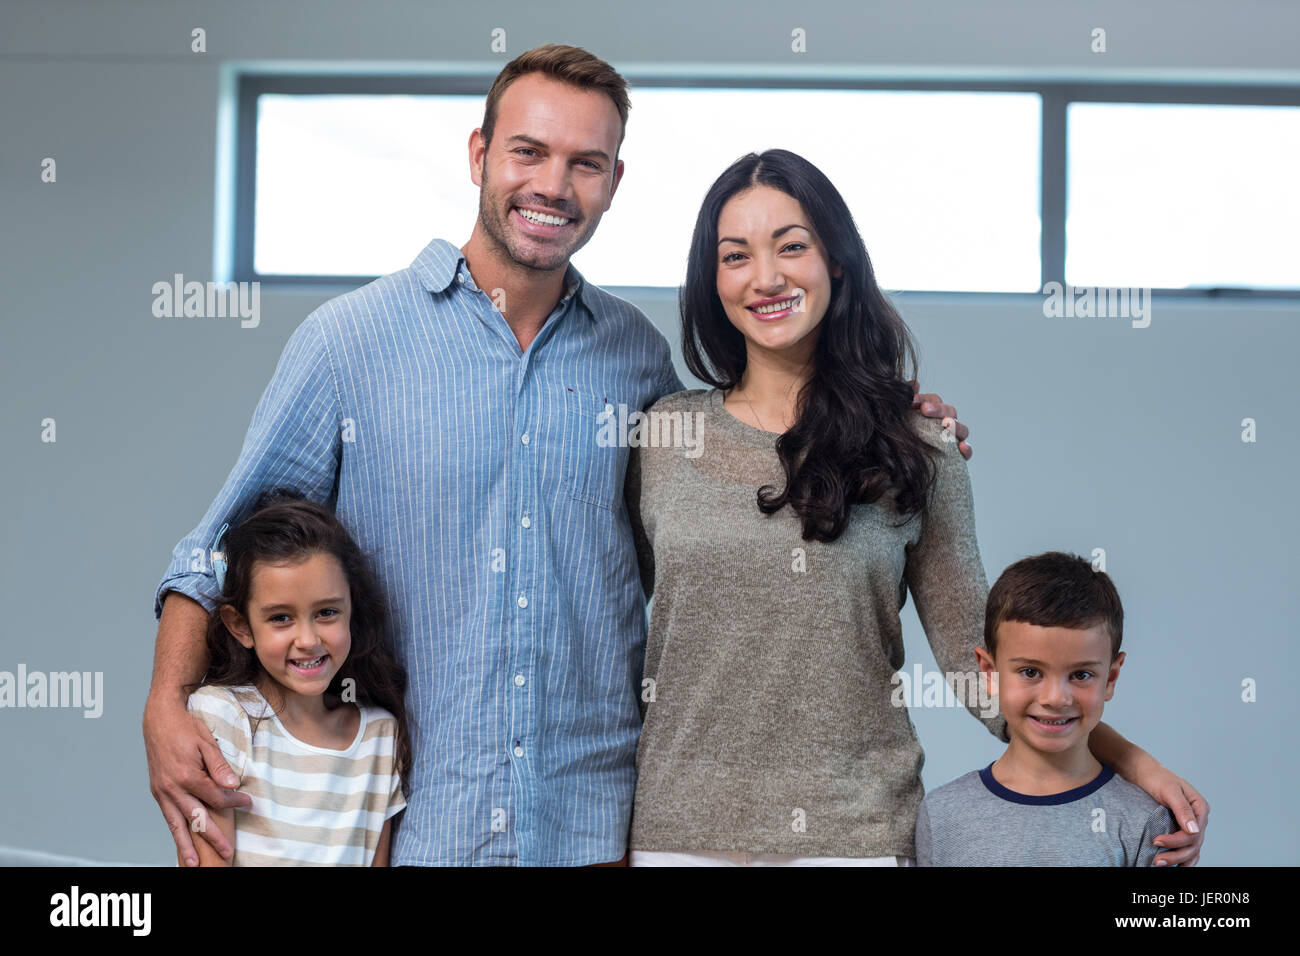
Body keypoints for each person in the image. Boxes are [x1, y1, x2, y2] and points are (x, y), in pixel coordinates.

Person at [145, 43, 980, 868]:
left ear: (615, 183)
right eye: (528, 151)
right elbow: (218, 550)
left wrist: (888, 423)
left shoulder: (636, 361)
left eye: (586, 162)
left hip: (598, 831)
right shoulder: (349, 343)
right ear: (479, 155)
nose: (552, 184)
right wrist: (163, 705)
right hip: (417, 827)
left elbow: (733, 539)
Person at [624, 149, 1208, 866]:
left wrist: (1135, 766)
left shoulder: (915, 445)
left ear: (836, 261)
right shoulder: (660, 440)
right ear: (712, 281)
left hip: (856, 839)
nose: (767, 278)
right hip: (677, 837)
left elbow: (983, 661)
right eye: (736, 256)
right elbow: (607, 636)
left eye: (792, 247)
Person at [181, 490, 410, 866]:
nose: (308, 640)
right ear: (241, 626)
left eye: (327, 612)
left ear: (352, 608)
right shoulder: (223, 715)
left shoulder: (380, 737)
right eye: (281, 618)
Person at [915, 552, 1174, 866]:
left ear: (1111, 677)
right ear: (989, 672)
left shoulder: (1145, 822)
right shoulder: (942, 815)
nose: (1055, 698)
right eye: (1030, 672)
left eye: (1081, 675)